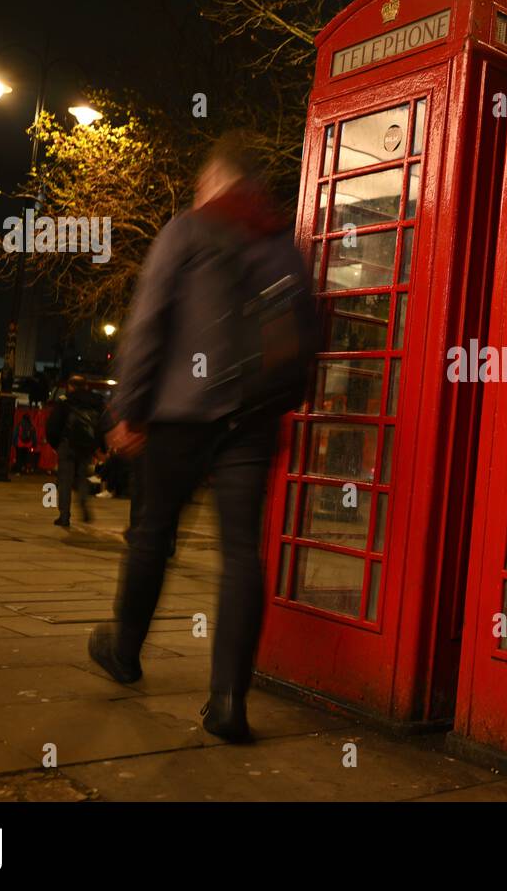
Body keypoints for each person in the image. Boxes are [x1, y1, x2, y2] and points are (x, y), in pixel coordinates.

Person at [88, 131, 311, 743]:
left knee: (153, 534)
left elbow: (148, 320)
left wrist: (127, 407)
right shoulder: (282, 244)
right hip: (252, 419)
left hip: (181, 414)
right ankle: (229, 702)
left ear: (215, 180)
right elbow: (303, 336)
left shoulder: (188, 229)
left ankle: (124, 650)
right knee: (241, 555)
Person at [46, 376, 105, 528]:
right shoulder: (96, 402)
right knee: (82, 477)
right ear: (85, 386)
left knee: (65, 480)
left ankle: (64, 516)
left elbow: (54, 424)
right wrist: (98, 445)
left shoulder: (65, 400)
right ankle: (84, 505)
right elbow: (102, 425)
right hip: (86, 446)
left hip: (67, 444)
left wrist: (56, 444)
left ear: (70, 386)